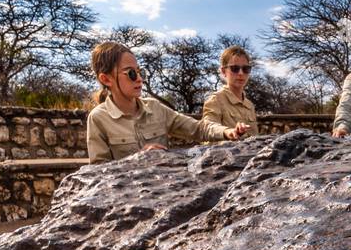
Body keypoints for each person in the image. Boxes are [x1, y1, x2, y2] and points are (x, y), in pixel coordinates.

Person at [86, 41, 249, 163]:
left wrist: (227, 132)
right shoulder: (98, 118)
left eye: (139, 72)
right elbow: (98, 173)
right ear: (106, 79)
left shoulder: (155, 108)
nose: (140, 79)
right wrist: (136, 160)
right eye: (131, 74)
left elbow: (197, 128)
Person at [201, 46, 258, 142]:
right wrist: (228, 132)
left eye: (246, 69)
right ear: (224, 71)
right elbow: (207, 129)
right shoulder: (216, 100)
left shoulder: (249, 105)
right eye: (235, 68)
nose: (240, 73)